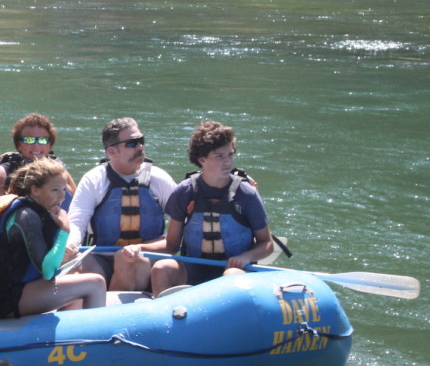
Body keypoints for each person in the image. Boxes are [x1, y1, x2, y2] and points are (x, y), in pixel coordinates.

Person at [0, 158, 106, 320]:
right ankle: (96, 341)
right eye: (55, 190)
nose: (61, 197)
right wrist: (65, 230)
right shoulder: (27, 216)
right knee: (96, 283)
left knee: (77, 287)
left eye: (64, 190)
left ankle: (69, 340)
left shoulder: (38, 211)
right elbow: (48, 271)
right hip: (2, 300)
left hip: (16, 290)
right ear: (35, 190)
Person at [153, 120, 276, 287]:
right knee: (162, 268)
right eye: (219, 156)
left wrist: (246, 257)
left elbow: (267, 244)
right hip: (193, 268)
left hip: (234, 270)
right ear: (202, 159)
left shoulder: (246, 194)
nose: (227, 162)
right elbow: (172, 245)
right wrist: (137, 249)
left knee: (230, 275)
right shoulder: (184, 192)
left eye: (230, 154)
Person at [66, 118, 181, 294]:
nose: (140, 147)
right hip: (103, 257)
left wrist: (148, 247)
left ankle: (109, 312)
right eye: (132, 143)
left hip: (147, 258)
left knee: (125, 260)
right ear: (112, 151)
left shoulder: (159, 179)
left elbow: (180, 224)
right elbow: (76, 222)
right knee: (71, 265)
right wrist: (71, 245)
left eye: (141, 141)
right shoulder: (94, 180)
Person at [0, 113, 76, 246]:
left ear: (50, 144)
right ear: (19, 145)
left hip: (59, 240)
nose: (36, 146)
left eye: (42, 140)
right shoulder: (3, 173)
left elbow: (77, 210)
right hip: (15, 243)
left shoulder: (61, 173)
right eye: (29, 140)